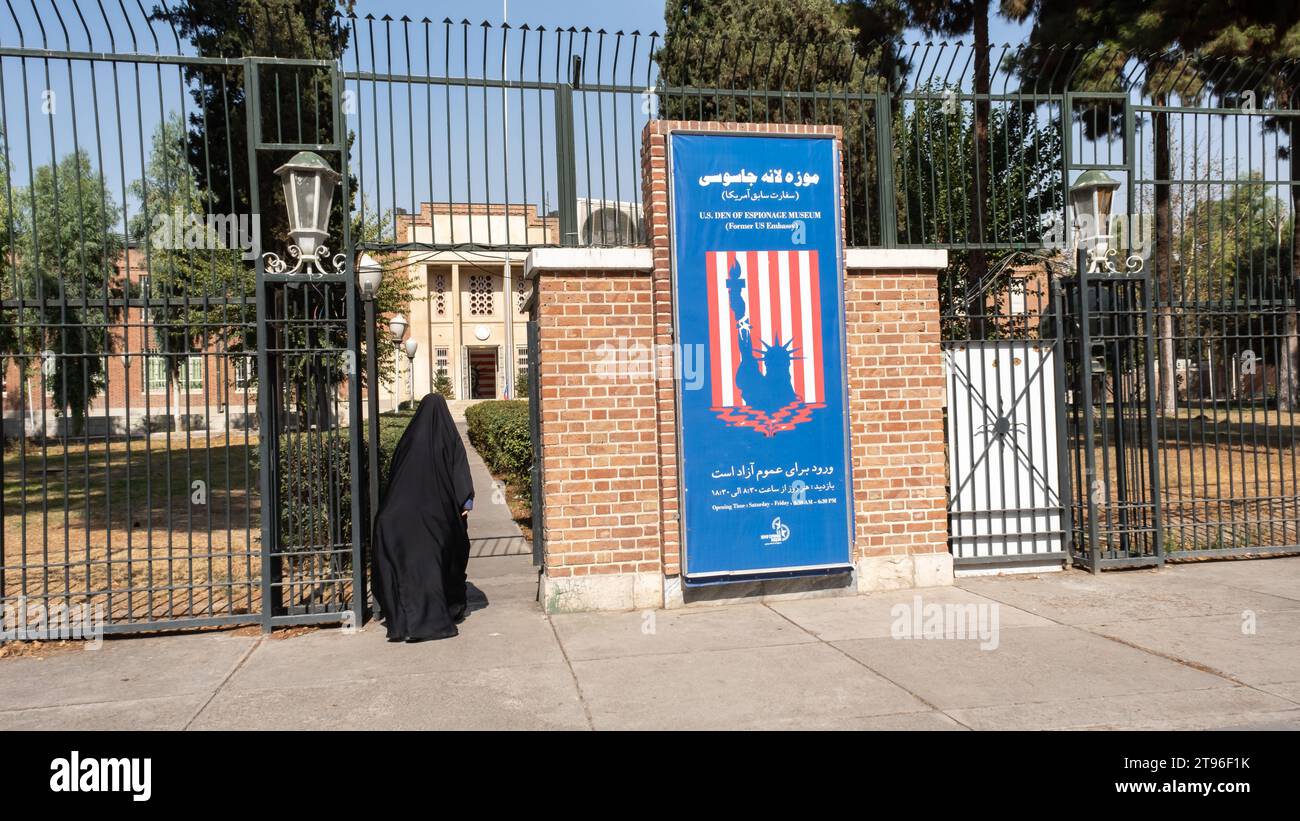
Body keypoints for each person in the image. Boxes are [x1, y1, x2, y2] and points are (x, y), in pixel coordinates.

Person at [371, 393, 475, 642]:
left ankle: (404, 623)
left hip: (397, 516)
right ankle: (434, 618)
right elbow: (458, 469)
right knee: (433, 566)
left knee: (407, 569)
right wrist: (466, 501)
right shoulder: (448, 436)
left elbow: (394, 474)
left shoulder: (409, 438)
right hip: (435, 517)